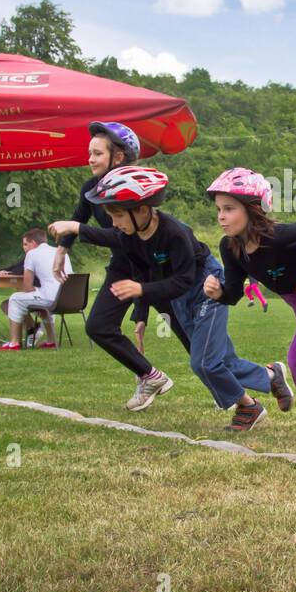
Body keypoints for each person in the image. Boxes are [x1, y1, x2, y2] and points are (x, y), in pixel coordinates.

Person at [81, 166, 292, 430]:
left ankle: (248, 406)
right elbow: (139, 270)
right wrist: (141, 315)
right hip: (181, 300)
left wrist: (141, 291)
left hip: (207, 289)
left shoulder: (173, 233)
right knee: (221, 360)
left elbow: (181, 279)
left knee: (203, 361)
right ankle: (270, 376)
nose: (113, 222)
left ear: (142, 209)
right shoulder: (132, 236)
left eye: (118, 214)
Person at [204, 167, 296, 445]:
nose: (221, 216)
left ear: (255, 208)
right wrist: (218, 293)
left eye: (229, 208)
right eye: (219, 209)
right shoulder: (230, 247)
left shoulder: (277, 235)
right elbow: (234, 292)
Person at [47, 121, 192, 398]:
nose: (90, 159)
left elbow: (118, 236)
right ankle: (150, 376)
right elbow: (78, 216)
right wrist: (62, 250)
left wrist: (77, 230)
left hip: (154, 267)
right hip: (123, 267)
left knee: (188, 333)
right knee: (98, 326)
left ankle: (229, 387)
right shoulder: (91, 188)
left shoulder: (136, 189)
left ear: (118, 157)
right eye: (89, 153)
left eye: (98, 153)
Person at [0, 228, 72, 350]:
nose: (24, 248)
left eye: (26, 244)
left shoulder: (32, 254)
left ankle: (14, 343)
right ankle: (51, 340)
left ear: (34, 243)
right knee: (45, 295)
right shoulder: (61, 252)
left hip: (51, 299)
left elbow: (27, 285)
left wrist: (35, 303)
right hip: (69, 299)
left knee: (15, 299)